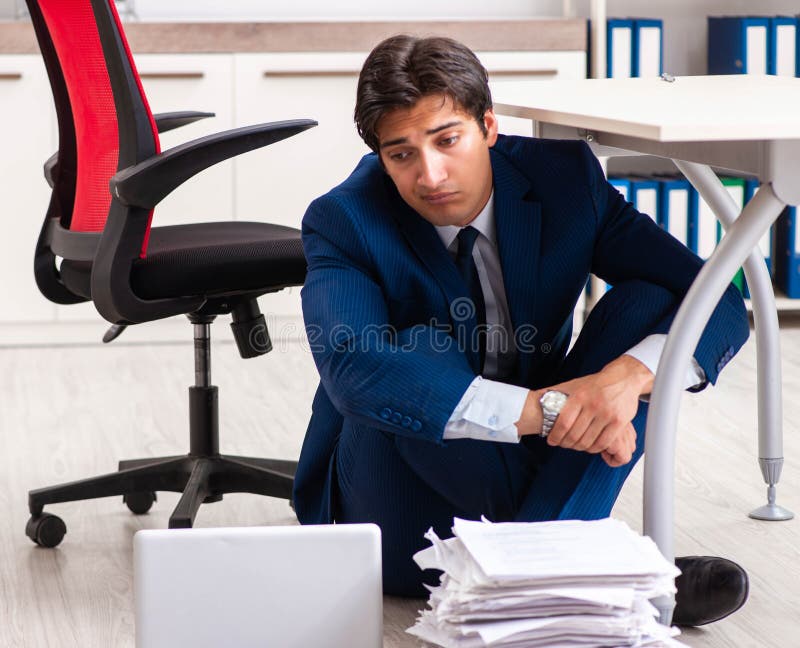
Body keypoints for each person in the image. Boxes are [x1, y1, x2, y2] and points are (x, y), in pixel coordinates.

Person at [292, 34, 750, 627]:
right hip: (400, 480)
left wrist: (621, 383)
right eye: (401, 154)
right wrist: (554, 411)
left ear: (488, 125)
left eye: (447, 140)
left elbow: (717, 299)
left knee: (648, 306)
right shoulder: (344, 218)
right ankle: (606, 579)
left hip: (531, 455)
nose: (430, 175)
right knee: (416, 351)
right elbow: (354, 370)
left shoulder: (565, 182)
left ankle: (541, 579)